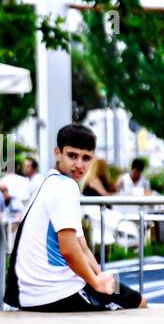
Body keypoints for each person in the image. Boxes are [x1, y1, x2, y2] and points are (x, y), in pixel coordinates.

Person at [15, 124, 144, 312]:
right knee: (138, 302)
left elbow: (82, 246)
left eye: (86, 158)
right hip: (55, 292)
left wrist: (100, 275)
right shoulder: (64, 188)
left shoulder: (51, 182)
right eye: (72, 155)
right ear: (57, 153)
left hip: (38, 293)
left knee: (124, 292)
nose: (79, 165)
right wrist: (96, 282)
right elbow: (69, 249)